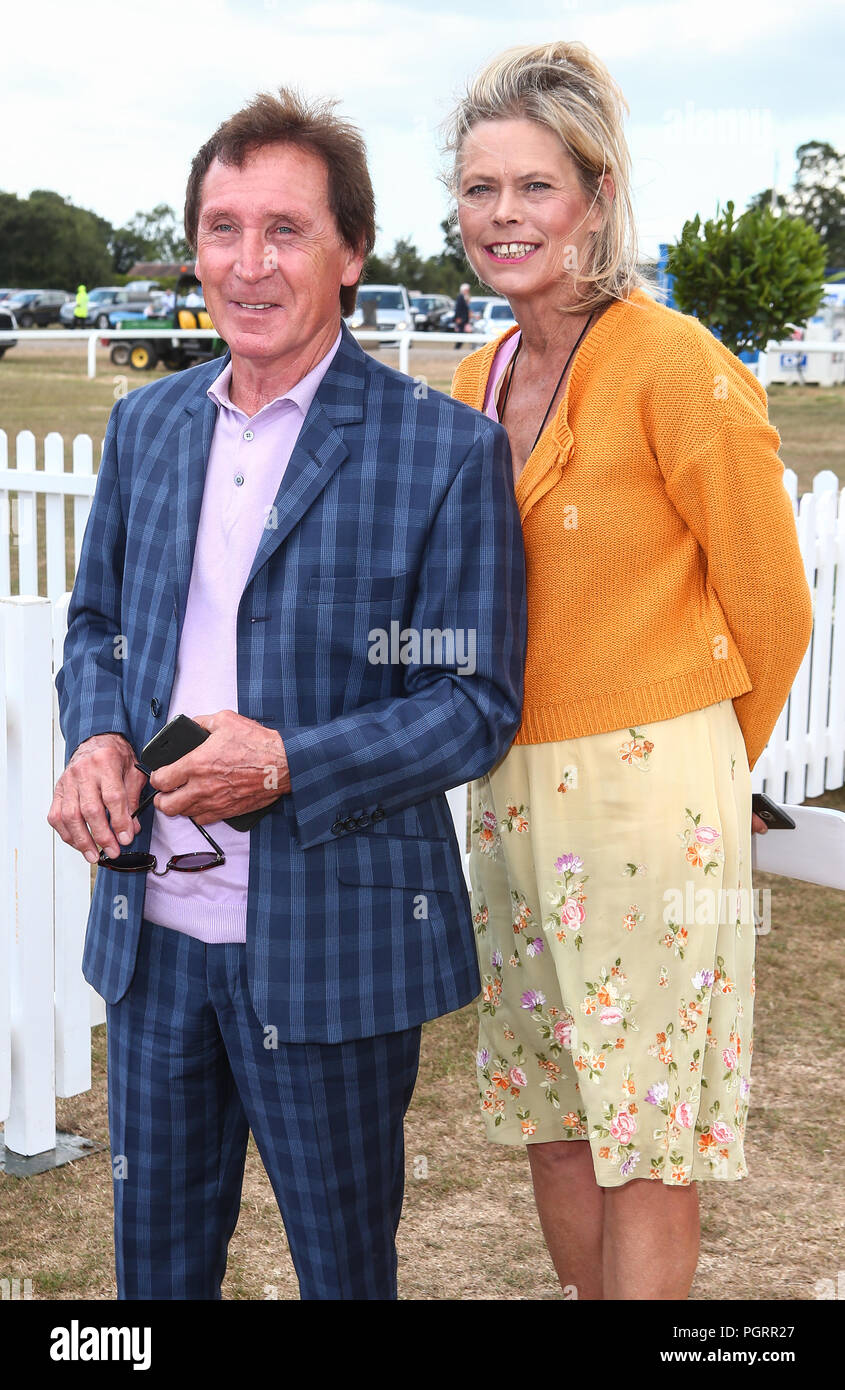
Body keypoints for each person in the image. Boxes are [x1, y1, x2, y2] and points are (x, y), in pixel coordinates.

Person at [48, 87, 526, 1301]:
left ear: (350, 251)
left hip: (334, 944)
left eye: (284, 230)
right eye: (221, 227)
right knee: (151, 1281)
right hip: (150, 943)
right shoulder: (147, 425)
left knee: (342, 1275)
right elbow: (97, 624)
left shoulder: (443, 449)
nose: (246, 264)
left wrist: (289, 762)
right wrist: (99, 734)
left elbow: (469, 694)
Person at [446, 41, 813, 1301]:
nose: (503, 215)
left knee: (645, 1131)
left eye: (534, 186)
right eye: (480, 187)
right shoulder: (471, 377)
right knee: (551, 1109)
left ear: (594, 198)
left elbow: (772, 610)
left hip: (649, 797)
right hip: (502, 793)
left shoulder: (672, 363)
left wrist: (690, 766)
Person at [453, 281, 472, 346]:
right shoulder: (460, 297)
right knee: (461, 334)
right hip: (461, 319)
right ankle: (457, 348)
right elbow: (458, 308)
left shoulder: (464, 297)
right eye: (467, 290)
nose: (468, 291)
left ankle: (457, 347)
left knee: (462, 334)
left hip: (464, 319)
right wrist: (457, 318)